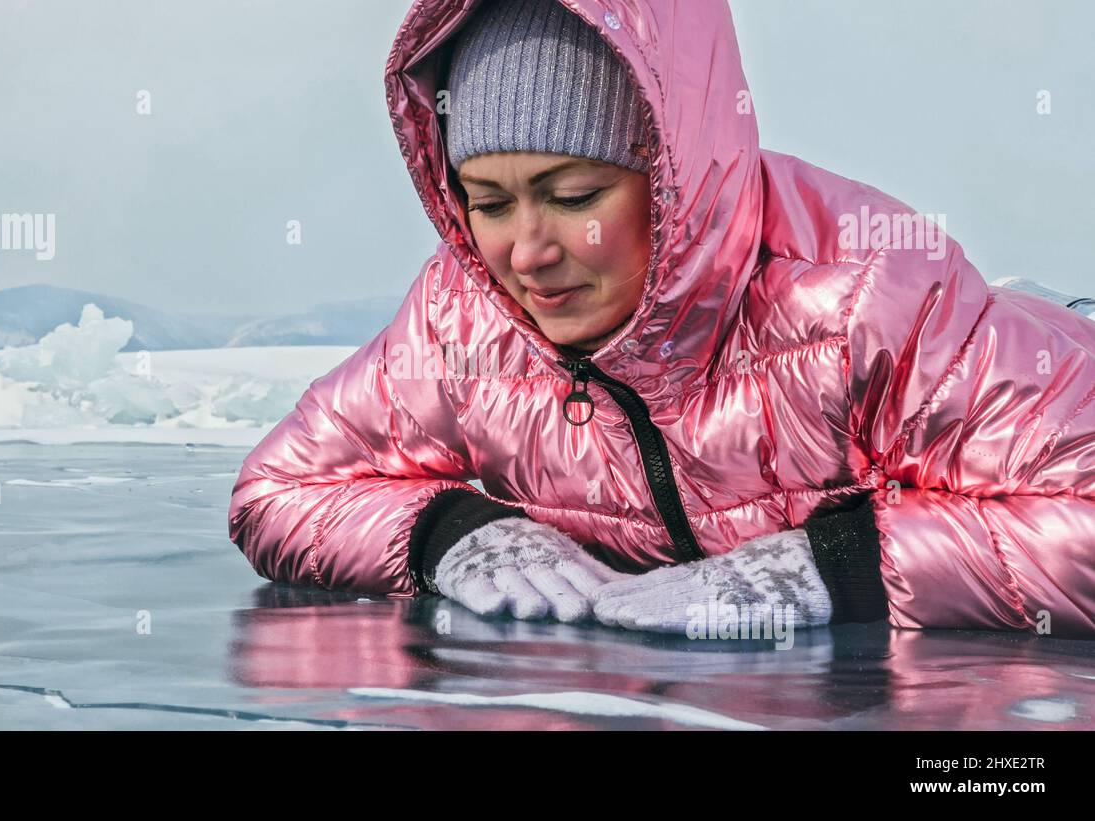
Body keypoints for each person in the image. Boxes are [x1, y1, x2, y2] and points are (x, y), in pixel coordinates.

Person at [229, 0, 1095, 637]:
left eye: (575, 196)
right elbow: (279, 489)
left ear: (673, 170)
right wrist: (452, 533)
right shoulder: (461, 319)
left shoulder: (872, 295)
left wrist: (841, 563)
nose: (526, 253)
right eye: (488, 202)